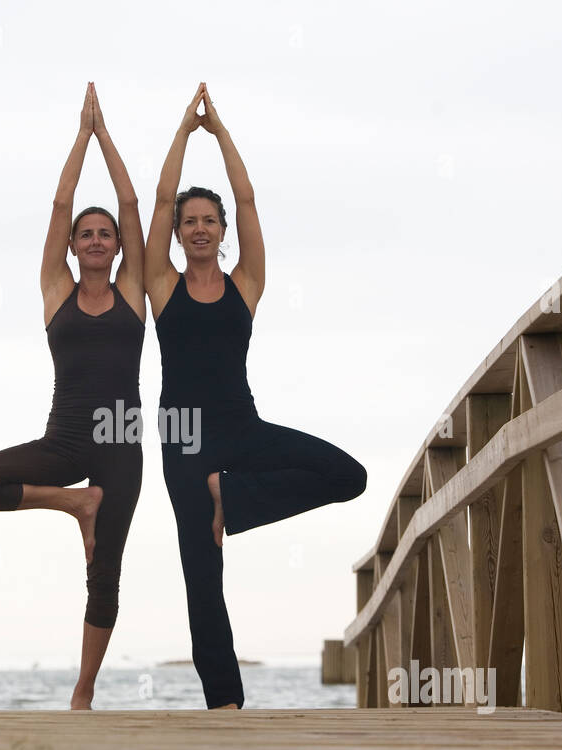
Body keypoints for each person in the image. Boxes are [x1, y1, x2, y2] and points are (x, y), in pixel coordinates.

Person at [145, 83, 367, 710]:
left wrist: (221, 134)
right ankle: (226, 705)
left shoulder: (247, 282)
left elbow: (246, 198)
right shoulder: (160, 285)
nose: (197, 228)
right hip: (184, 437)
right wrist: (184, 134)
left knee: (348, 475)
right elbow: (162, 197)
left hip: (242, 429)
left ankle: (230, 499)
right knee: (202, 577)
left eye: (208, 221)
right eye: (188, 222)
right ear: (179, 234)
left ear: (222, 232)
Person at [0, 83, 145, 710]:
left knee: (105, 570)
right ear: (72, 246)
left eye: (103, 234)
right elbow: (60, 203)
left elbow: (133, 203)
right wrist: (78, 137)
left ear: (115, 248)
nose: (93, 239)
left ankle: (83, 691)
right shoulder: (55, 287)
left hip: (121, 437)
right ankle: (73, 504)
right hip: (62, 441)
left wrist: (104, 137)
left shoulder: (133, 290)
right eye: (84, 233)